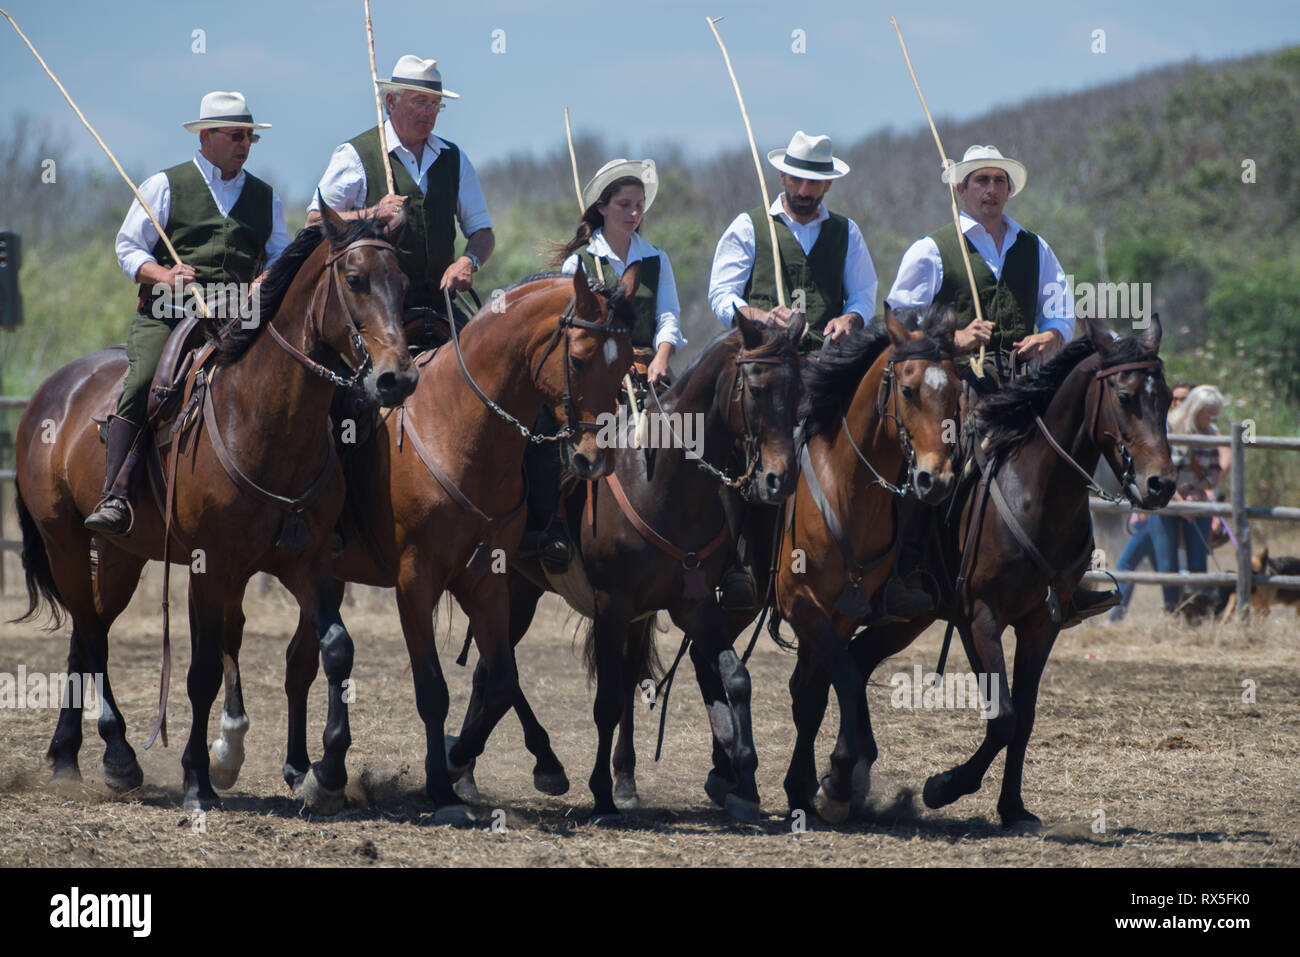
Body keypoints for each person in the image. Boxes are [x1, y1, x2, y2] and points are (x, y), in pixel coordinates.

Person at [85, 91, 291, 535]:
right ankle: (117, 493)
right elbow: (127, 248)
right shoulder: (164, 185)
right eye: (236, 135)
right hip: (168, 314)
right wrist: (163, 275)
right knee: (144, 382)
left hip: (239, 318)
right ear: (207, 136)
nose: (245, 144)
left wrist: (267, 278)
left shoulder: (265, 197)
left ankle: (298, 504)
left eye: (250, 137)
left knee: (291, 377)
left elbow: (281, 255)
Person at [307, 55, 493, 315]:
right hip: (376, 315)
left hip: (441, 309)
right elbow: (315, 223)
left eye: (435, 104)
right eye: (420, 102)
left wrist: (467, 261)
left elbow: (483, 232)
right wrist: (372, 214)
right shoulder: (355, 155)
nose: (429, 112)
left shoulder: (454, 158)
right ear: (391, 101)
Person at [886, 144, 1073, 378]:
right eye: (982, 180)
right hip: (955, 386)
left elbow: (1060, 310)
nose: (991, 189)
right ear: (961, 190)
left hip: (1024, 384)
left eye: (999, 181)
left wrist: (1051, 335)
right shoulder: (930, 251)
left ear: (1009, 190)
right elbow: (901, 318)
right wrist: (952, 338)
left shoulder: (1035, 248)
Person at [708, 130, 878, 353]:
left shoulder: (847, 232)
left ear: (828, 184)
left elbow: (863, 294)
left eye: (813, 182)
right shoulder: (749, 226)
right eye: (796, 180)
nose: (803, 191)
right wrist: (761, 317)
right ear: (782, 176)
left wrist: (851, 318)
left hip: (826, 360)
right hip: (762, 359)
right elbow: (721, 294)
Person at [556, 159, 685, 385]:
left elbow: (668, 317)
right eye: (624, 204)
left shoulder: (657, 259)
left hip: (649, 370)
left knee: (690, 418)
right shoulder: (578, 263)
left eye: (639, 205)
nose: (634, 213)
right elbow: (571, 331)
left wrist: (662, 357)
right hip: (594, 373)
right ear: (602, 207)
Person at [1107, 382, 1194, 622]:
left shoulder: (1194, 431)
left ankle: (1170, 612)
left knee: (1154, 565)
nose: (1177, 404)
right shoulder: (1157, 426)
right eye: (1174, 399)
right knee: (1137, 563)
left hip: (1164, 509)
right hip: (1155, 509)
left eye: (1183, 399)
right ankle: (1121, 615)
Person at [1150, 385, 1226, 613]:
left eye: (1215, 412)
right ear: (1196, 409)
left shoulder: (1212, 433)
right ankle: (1171, 611)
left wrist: (1198, 490)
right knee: (1167, 564)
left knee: (1197, 562)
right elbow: (1158, 469)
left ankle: (1195, 613)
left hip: (1197, 501)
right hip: (1168, 500)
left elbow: (1215, 471)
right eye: (1209, 412)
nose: (1213, 417)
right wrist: (1180, 500)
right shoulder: (1169, 426)